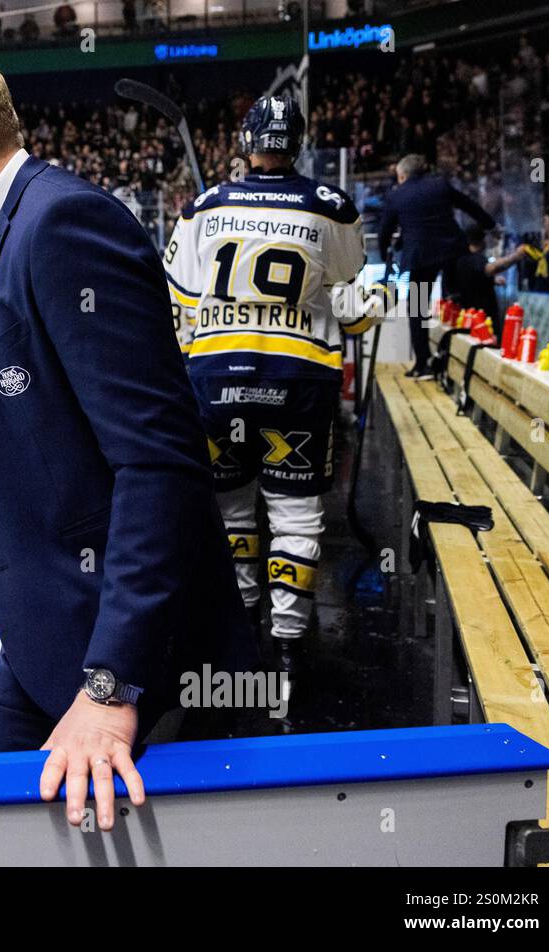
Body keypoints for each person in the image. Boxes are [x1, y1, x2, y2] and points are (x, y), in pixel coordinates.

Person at [0, 44, 256, 830]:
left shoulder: (63, 226)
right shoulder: (9, 234)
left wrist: (114, 685)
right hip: (48, 646)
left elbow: (158, 460)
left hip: (137, 665)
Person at [164, 95, 369, 668]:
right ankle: (289, 641)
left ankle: (242, 616)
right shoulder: (331, 206)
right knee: (296, 515)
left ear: (246, 141)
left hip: (214, 382)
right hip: (297, 382)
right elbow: (354, 303)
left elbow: (176, 300)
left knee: (231, 510)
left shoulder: (204, 206)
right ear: (297, 142)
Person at [378, 154, 495, 378]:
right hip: (453, 253)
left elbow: (384, 231)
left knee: (417, 311)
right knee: (458, 302)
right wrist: (489, 224)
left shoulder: (397, 195)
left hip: (419, 260)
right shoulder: (439, 185)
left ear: (402, 175)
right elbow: (468, 205)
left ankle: (423, 363)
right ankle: (470, 363)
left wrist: (385, 254)